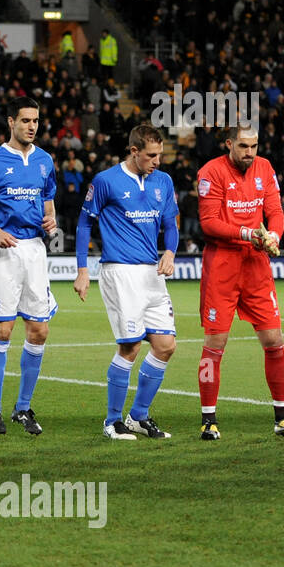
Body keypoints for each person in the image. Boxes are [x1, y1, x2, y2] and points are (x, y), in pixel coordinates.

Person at [195, 123, 284, 439]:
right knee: (216, 344)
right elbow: (209, 223)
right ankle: (208, 420)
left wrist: (273, 235)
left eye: (254, 146)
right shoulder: (210, 172)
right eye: (243, 146)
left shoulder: (265, 168)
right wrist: (247, 234)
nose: (249, 152)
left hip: (256, 267)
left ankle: (282, 418)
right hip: (222, 267)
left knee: (274, 341)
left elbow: (276, 212)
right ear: (229, 144)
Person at [73, 123, 179, 440]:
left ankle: (138, 416)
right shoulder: (106, 181)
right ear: (134, 151)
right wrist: (82, 270)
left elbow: (170, 223)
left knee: (165, 345)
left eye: (160, 155)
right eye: (151, 155)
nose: (157, 161)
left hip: (152, 274)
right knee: (130, 347)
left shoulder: (164, 181)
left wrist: (170, 252)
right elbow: (83, 224)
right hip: (119, 272)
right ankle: (112, 421)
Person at [0, 97, 58, 436]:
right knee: (3, 330)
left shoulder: (45, 161)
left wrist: (51, 221)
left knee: (39, 330)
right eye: (25, 121)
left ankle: (23, 408)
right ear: (11, 122)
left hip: (35, 249)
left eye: (35, 120)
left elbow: (48, 200)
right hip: (4, 250)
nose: (32, 126)